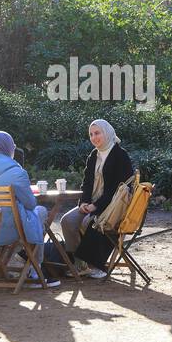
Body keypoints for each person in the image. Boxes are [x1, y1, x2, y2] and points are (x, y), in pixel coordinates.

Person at [0, 131, 59, 288]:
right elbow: (30, 204)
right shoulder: (17, 172)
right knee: (40, 211)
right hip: (12, 230)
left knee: (30, 215)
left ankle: (23, 262)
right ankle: (34, 269)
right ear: (8, 147)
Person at [59, 119, 135, 279]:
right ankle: (80, 264)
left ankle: (96, 263)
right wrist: (84, 202)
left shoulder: (120, 156)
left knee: (89, 222)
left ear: (106, 132)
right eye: (91, 134)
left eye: (97, 133)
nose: (94, 137)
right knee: (67, 221)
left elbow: (117, 190)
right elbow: (86, 183)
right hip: (92, 203)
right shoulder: (93, 155)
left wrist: (96, 206)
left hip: (114, 206)